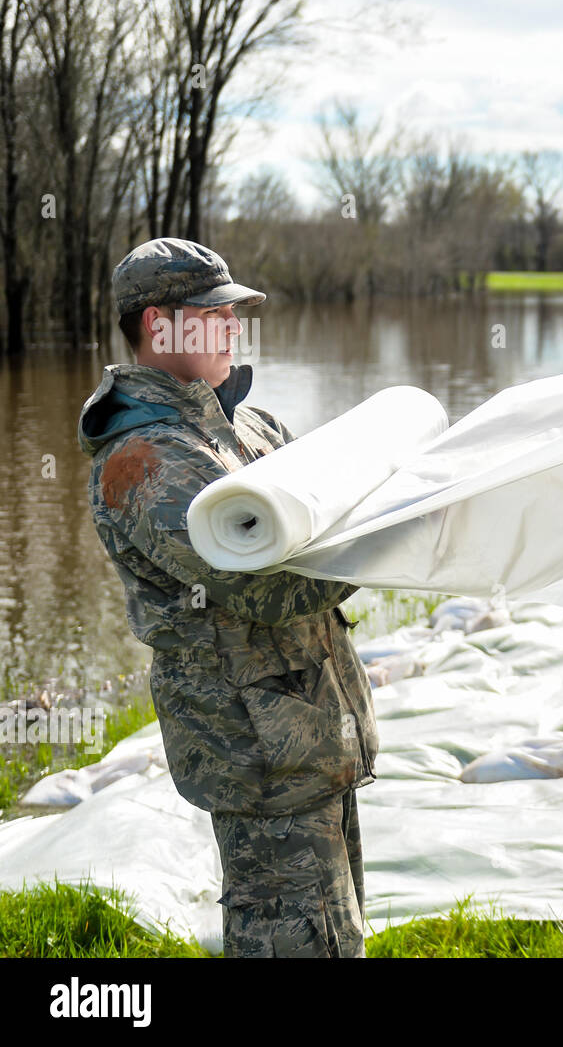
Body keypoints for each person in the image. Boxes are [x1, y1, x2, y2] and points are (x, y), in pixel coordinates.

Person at [77, 238, 380, 957]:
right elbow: (267, 588)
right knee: (292, 943)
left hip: (313, 740)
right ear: (159, 325)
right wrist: (400, 535)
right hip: (260, 756)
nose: (233, 327)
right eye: (214, 314)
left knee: (343, 938)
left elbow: (329, 501)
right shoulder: (143, 456)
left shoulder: (248, 424)